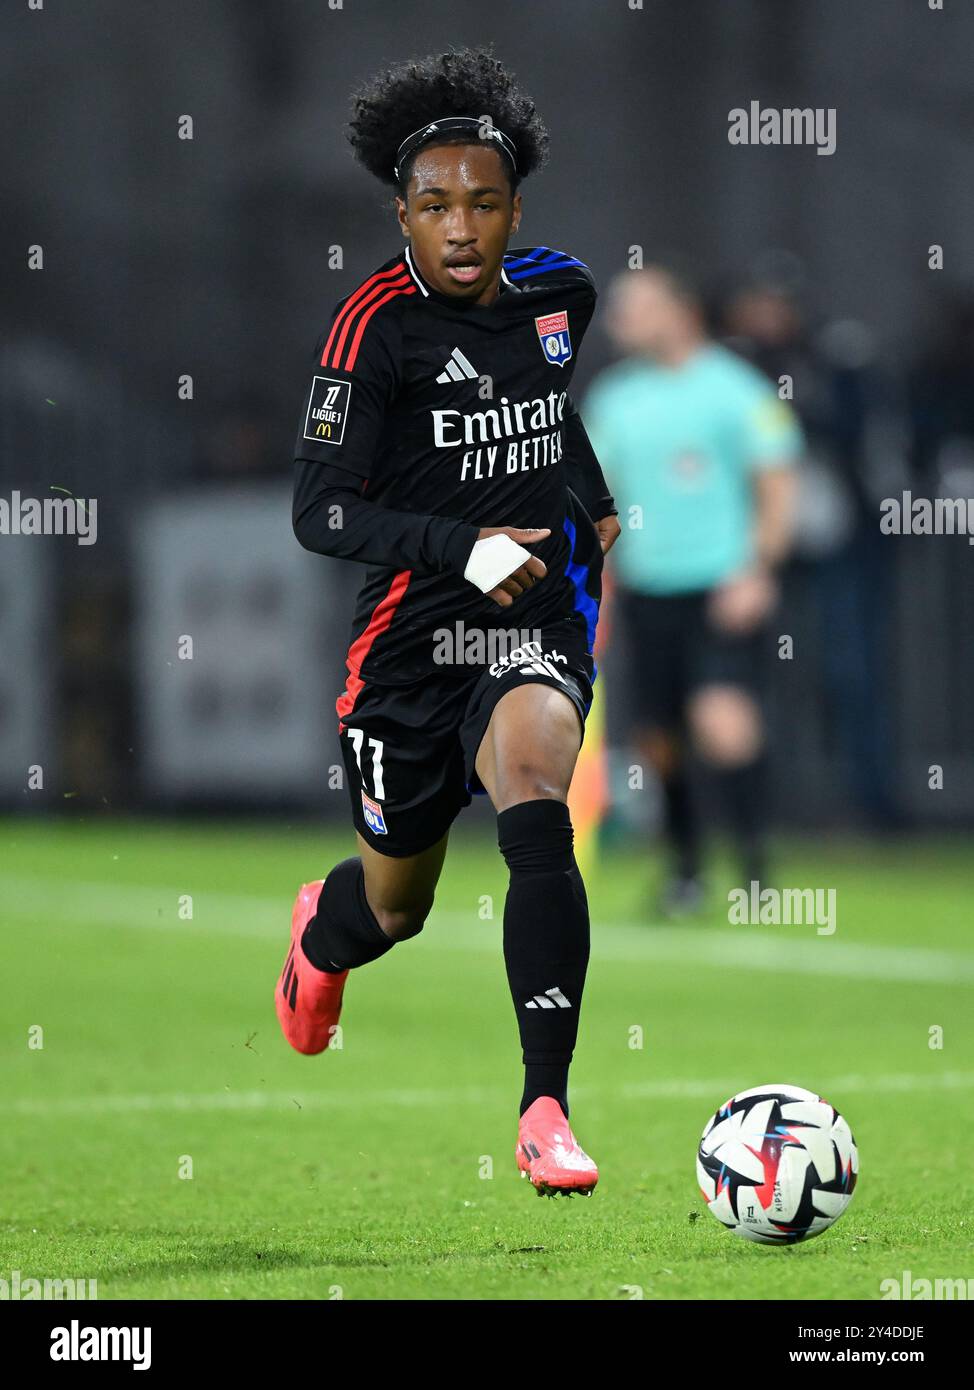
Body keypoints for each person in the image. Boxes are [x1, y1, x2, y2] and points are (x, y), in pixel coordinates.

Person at [276, 48, 621, 1198]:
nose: (459, 226)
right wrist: (457, 545)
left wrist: (594, 498)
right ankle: (320, 943)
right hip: (408, 654)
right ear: (402, 214)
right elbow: (319, 510)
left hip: (532, 623)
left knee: (536, 788)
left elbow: (544, 410)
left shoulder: (561, 292)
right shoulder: (371, 328)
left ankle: (544, 1106)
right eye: (434, 206)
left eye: (481, 201)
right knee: (395, 906)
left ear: (514, 208)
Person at [583, 264, 800, 914]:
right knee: (658, 737)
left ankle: (758, 872)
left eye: (636, 306)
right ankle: (686, 873)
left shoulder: (734, 390)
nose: (620, 319)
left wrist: (757, 569)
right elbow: (595, 498)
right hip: (647, 589)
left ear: (679, 311)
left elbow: (778, 485)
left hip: (719, 584)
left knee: (723, 720)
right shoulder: (615, 397)